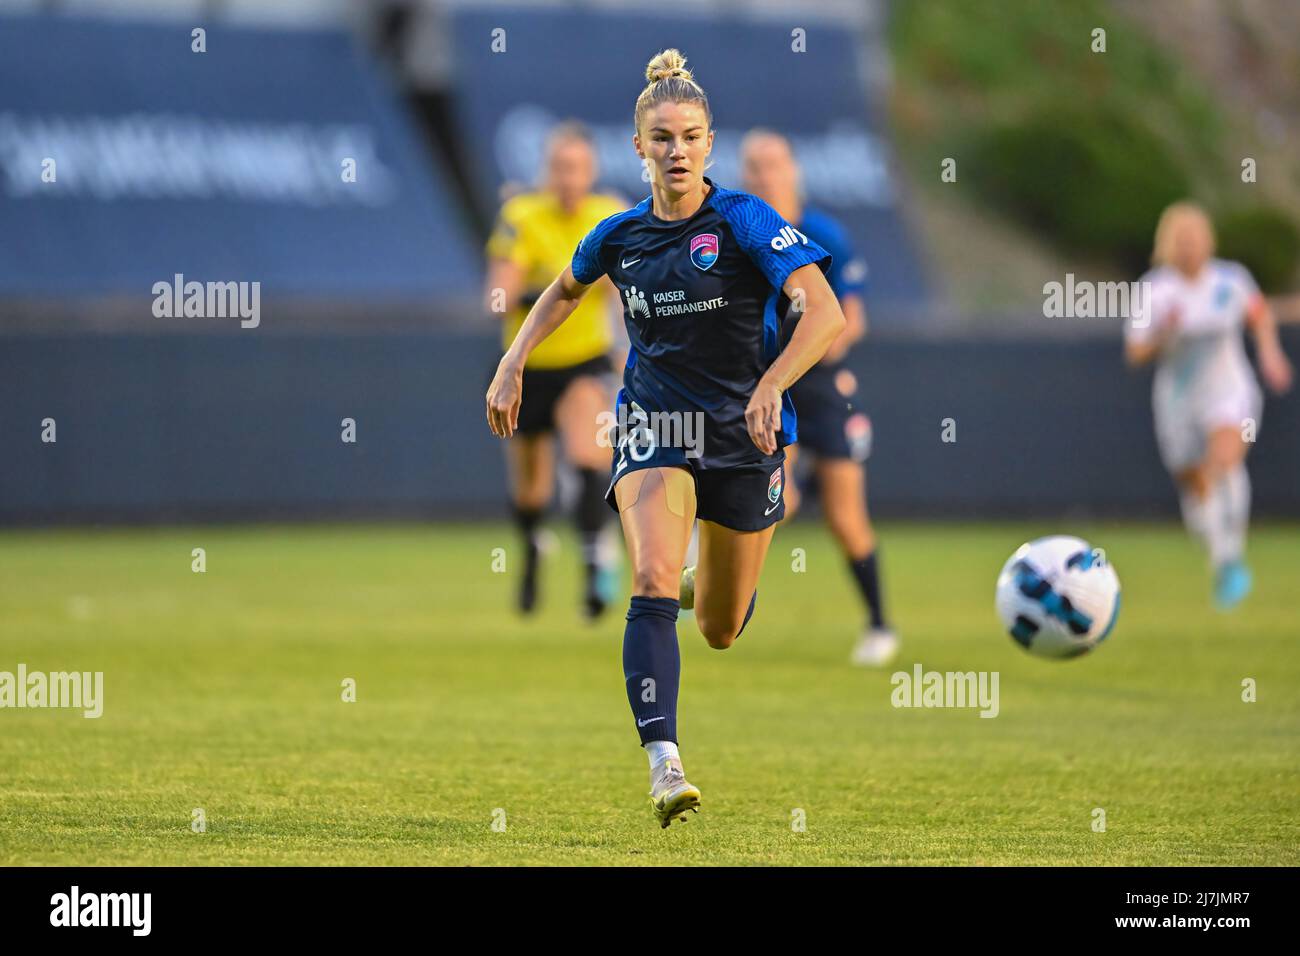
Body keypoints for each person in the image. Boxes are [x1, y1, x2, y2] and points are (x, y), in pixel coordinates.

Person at [486, 49, 845, 827]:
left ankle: (704, 583)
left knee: (718, 626)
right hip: (655, 423)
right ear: (639, 146)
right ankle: (664, 763)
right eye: (661, 138)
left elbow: (824, 313)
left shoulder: (746, 220)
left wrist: (774, 382)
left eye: (689, 137)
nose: (676, 150)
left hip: (747, 435)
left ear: (709, 145)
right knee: (650, 576)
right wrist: (512, 361)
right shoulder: (620, 236)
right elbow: (560, 291)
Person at [740, 129, 898, 666]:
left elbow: (851, 320)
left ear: (793, 171)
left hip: (822, 385)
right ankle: (729, 601)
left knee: (845, 516)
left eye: (773, 164)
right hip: (763, 386)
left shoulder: (821, 232)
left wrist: (810, 346)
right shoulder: (738, 232)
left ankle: (880, 624)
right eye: (754, 166)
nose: (763, 175)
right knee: (765, 501)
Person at [483, 121, 624, 619]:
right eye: (561, 168)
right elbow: (496, 297)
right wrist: (553, 290)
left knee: (589, 457)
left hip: (583, 361)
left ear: (593, 172)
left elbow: (627, 291)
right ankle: (532, 552)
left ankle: (593, 572)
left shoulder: (608, 217)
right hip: (525, 366)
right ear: (546, 172)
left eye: (579, 168)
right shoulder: (522, 215)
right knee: (531, 491)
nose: (569, 179)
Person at [1125, 201, 1292, 609]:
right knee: (1196, 484)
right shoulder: (1155, 290)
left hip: (1229, 391)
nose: (1189, 247)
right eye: (1180, 240)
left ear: (1208, 241)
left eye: (1195, 238)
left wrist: (1270, 354)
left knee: (1224, 462)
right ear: (1166, 245)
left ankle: (1229, 560)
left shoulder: (1231, 280)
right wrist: (1164, 335)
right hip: (1178, 401)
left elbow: (1259, 315)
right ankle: (1217, 544)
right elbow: (1136, 353)